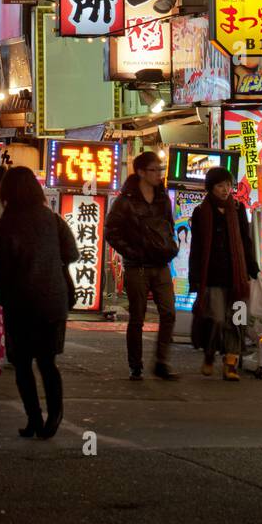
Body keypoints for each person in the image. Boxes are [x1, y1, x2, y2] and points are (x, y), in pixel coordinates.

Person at [0, 166, 78, 439]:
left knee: (22, 365)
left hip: (21, 303)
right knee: (47, 362)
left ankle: (33, 418)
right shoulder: (52, 219)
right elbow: (72, 254)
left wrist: (1, 297)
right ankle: (55, 415)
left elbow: (2, 268)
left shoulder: (7, 223)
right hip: (53, 300)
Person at [104, 151, 179, 380]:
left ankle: (161, 361)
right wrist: (131, 251)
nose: (159, 174)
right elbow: (111, 231)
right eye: (154, 170)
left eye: (160, 169)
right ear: (141, 172)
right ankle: (135, 365)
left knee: (168, 313)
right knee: (137, 317)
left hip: (161, 264)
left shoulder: (162, 198)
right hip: (137, 266)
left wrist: (170, 245)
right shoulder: (125, 201)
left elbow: (168, 224)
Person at [189, 167, 258, 380]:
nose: (225, 190)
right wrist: (195, 278)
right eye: (220, 186)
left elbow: (245, 241)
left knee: (236, 321)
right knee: (216, 319)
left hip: (236, 276)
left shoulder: (238, 209)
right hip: (212, 277)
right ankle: (209, 353)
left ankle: (230, 363)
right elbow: (197, 248)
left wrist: (251, 266)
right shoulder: (201, 213)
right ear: (210, 188)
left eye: (228, 185)